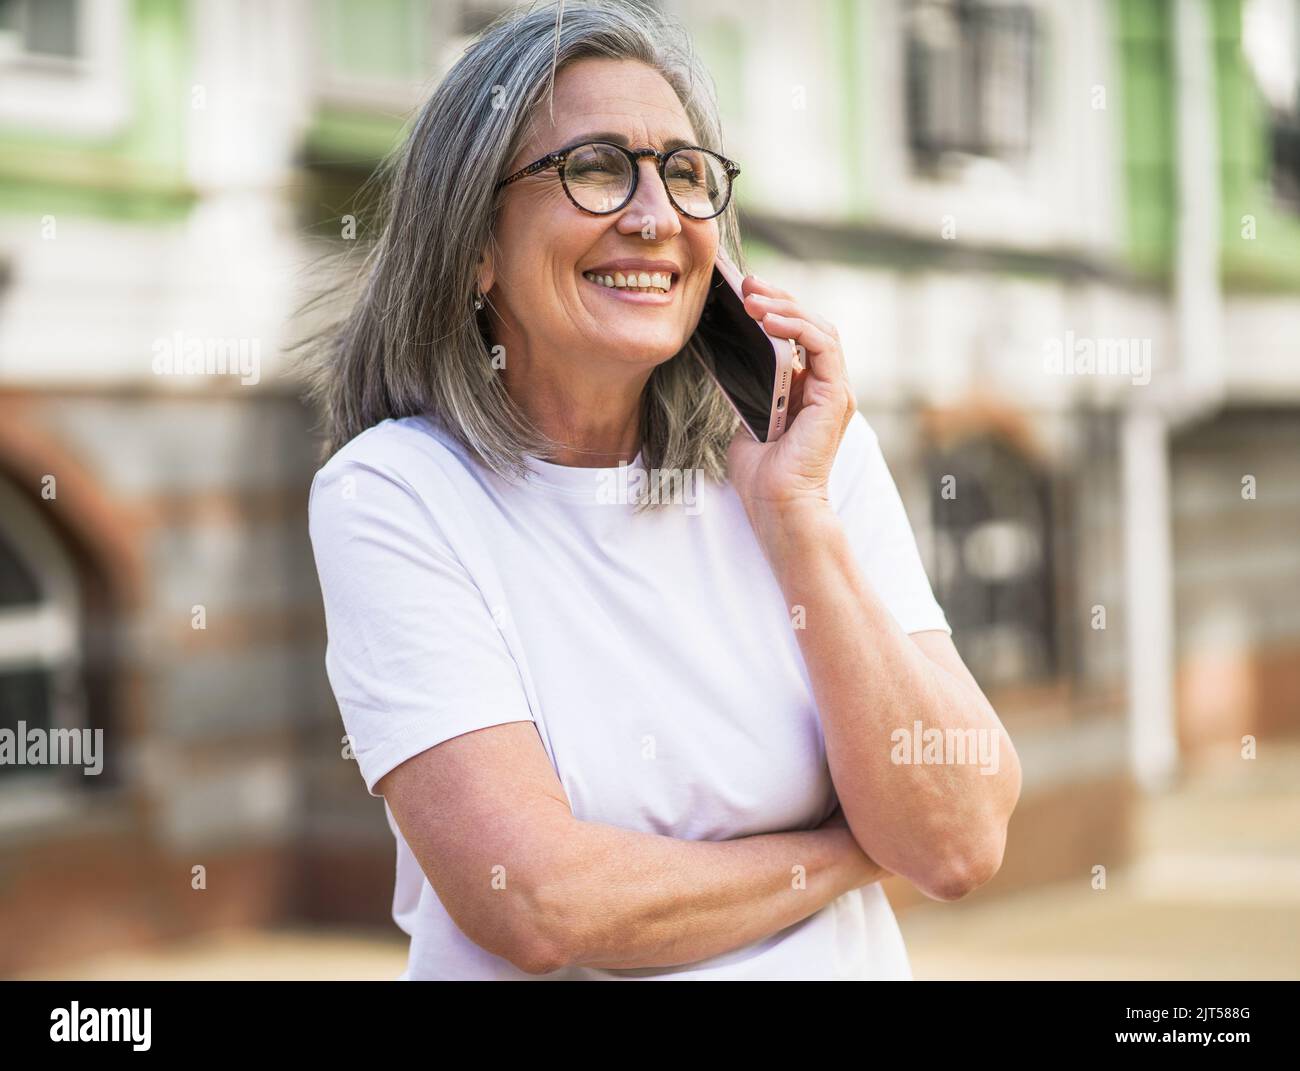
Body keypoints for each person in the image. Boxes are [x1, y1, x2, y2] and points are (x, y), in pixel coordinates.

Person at [304, 0, 1021, 981]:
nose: (653, 217)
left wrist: (794, 518)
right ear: (474, 242)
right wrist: (848, 850)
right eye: (594, 168)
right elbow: (542, 904)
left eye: (685, 174)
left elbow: (958, 837)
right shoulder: (397, 495)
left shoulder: (806, 454)